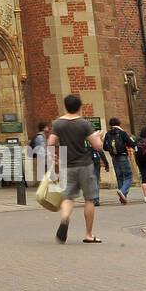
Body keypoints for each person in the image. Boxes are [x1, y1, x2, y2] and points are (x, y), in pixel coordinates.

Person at [47, 94, 105, 243]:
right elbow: (97, 146)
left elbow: (51, 142)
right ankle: (88, 234)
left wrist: (52, 159)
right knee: (89, 199)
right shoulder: (84, 124)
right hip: (85, 165)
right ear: (80, 107)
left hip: (67, 165)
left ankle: (65, 219)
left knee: (68, 197)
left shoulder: (58, 123)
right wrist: (99, 137)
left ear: (65, 106)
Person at [103, 118, 136, 205]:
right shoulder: (122, 133)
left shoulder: (107, 134)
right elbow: (131, 143)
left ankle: (122, 198)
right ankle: (122, 191)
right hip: (123, 156)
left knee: (119, 177)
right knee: (129, 176)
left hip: (114, 157)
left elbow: (105, 147)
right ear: (119, 123)